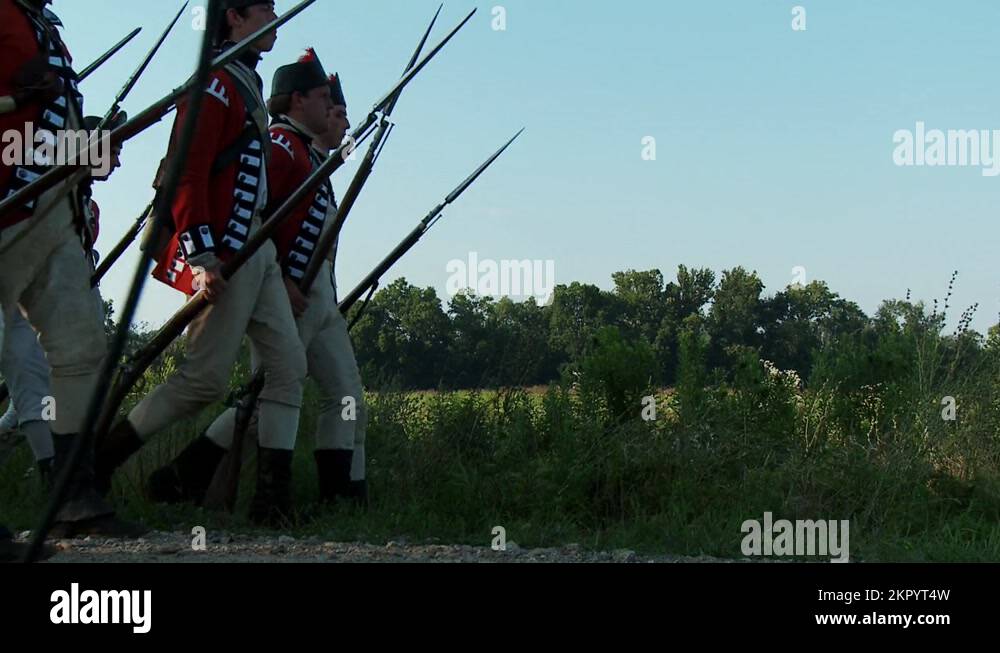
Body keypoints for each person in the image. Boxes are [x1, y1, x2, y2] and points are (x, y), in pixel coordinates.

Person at [95, 0, 309, 527]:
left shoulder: (243, 82)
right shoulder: (215, 83)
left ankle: (270, 504)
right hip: (227, 251)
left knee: (287, 369)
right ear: (234, 17)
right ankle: (95, 465)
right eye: (265, 9)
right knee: (205, 382)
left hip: (255, 249)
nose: (273, 20)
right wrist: (203, 254)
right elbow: (186, 173)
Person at [0, 0, 139, 538]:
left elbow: (42, 131)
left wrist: (91, 144)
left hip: (53, 206)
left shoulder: (42, 26)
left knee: (80, 347)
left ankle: (73, 497)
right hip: (9, 204)